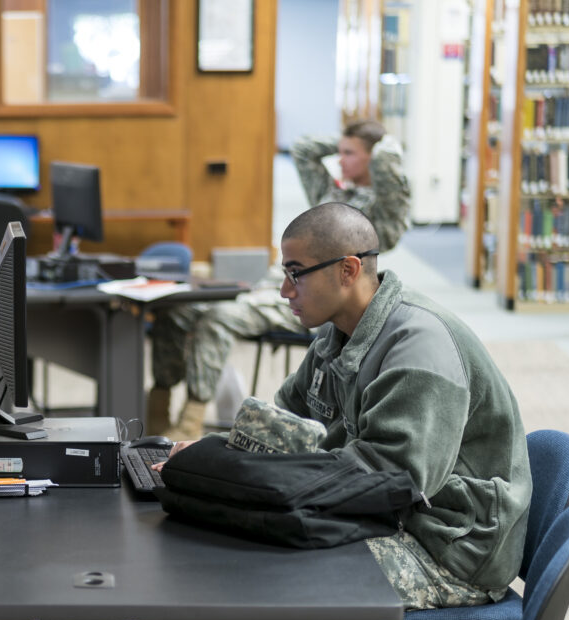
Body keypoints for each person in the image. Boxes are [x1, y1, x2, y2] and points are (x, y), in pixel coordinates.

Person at [164, 202, 532, 620]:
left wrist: (263, 482)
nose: (284, 290)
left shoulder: (418, 346)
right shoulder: (341, 333)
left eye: (296, 273)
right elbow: (285, 417)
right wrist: (220, 462)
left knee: (266, 578)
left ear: (349, 269)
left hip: (449, 543)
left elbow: (395, 481)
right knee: (228, 548)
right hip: (399, 513)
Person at [147, 120, 411, 440]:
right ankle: (158, 407)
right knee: (175, 308)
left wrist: (382, 144)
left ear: (374, 158)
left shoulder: (386, 208)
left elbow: (387, 168)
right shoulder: (331, 192)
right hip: (275, 284)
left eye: (349, 154)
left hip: (316, 300)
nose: (340, 160)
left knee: (218, 318)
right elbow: (303, 149)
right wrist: (347, 144)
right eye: (339, 152)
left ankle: (190, 421)